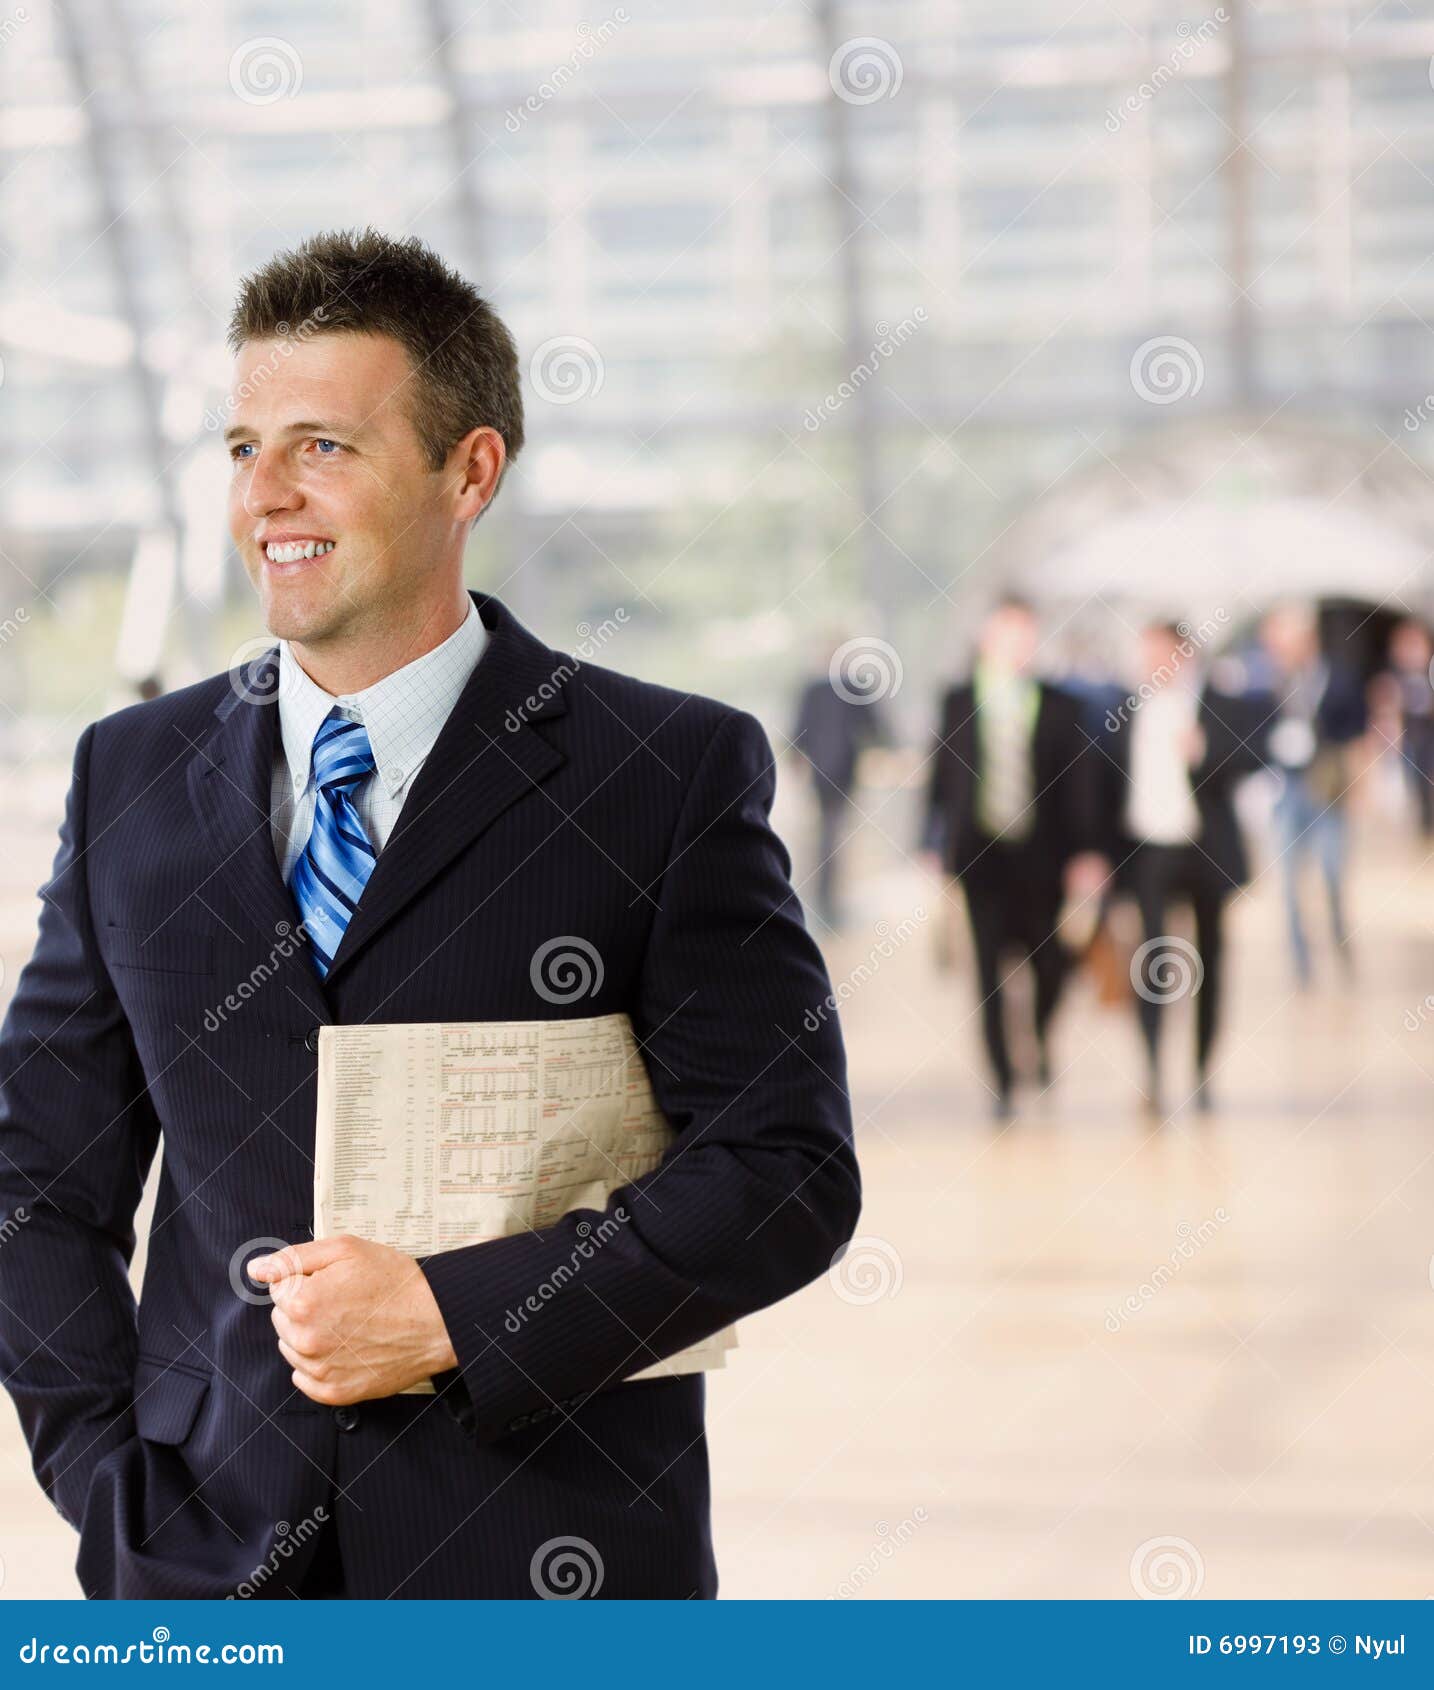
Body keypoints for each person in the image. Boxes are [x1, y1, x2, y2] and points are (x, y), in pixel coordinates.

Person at [0, 229, 861, 1601]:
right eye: (241, 447)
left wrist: (459, 1313)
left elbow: (782, 1170)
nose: (265, 494)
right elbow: (36, 1179)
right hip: (202, 1570)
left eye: (322, 447)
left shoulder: (659, 774)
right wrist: (108, 1485)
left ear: (469, 471)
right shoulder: (131, 775)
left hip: (551, 1575)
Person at [922, 596, 1104, 1118]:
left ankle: (1041, 1039)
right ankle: (1002, 1079)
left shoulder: (1061, 704)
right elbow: (941, 776)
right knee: (987, 974)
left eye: (1027, 636)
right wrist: (930, 846)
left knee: (1051, 964)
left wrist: (1088, 852)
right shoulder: (958, 700)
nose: (1020, 647)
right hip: (979, 856)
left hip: (1043, 856)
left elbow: (1080, 784)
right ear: (987, 639)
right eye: (1009, 635)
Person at [1100, 620, 1267, 1116]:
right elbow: (1103, 781)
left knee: (1211, 960)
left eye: (1159, 651)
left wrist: (1206, 751)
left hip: (1206, 850)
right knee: (1152, 961)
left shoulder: (1221, 703)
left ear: (1183, 653)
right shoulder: (1125, 710)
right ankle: (1152, 1066)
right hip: (1149, 851)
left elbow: (1256, 756)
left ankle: (1202, 1069)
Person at [1258, 604, 1367, 987]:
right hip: (1287, 790)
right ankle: (1301, 964)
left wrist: (1358, 788)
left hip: (1327, 789)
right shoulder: (1272, 681)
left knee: (1332, 874)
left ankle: (1340, 942)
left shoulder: (1339, 677)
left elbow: (1358, 736)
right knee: (1288, 882)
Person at [789, 633, 890, 930]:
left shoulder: (853, 688)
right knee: (830, 835)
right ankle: (825, 903)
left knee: (832, 835)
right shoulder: (814, 690)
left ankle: (829, 901)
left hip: (844, 774)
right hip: (823, 775)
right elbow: (799, 731)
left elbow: (875, 726)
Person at [1388, 618, 1434, 839]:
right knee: (1414, 778)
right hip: (1410, 735)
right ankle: (1423, 823)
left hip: (1429, 734)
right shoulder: (1396, 676)